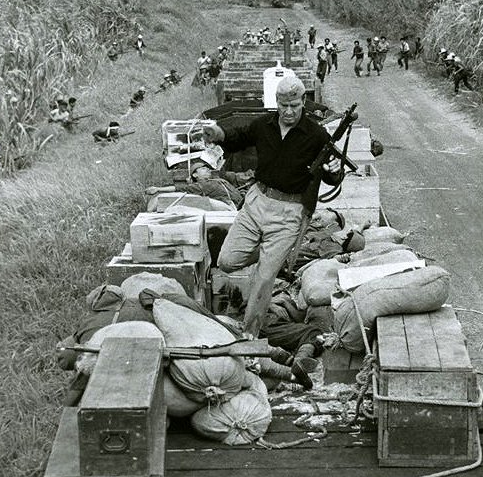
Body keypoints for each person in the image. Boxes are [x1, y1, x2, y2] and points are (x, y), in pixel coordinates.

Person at [201, 76, 342, 337]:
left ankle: (248, 335)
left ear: (303, 103)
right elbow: (238, 137)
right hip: (256, 202)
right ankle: (270, 253)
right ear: (276, 102)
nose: (289, 112)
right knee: (227, 261)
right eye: (284, 105)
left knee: (264, 279)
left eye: (295, 105)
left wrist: (335, 170)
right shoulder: (263, 125)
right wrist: (219, 134)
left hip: (289, 211)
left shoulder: (316, 134)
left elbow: (332, 172)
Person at [145, 162, 243, 208]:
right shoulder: (199, 186)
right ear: (195, 175)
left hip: (242, 199)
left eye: (208, 168)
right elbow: (178, 188)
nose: (208, 169)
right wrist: (158, 189)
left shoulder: (216, 179)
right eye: (203, 169)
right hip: (233, 207)